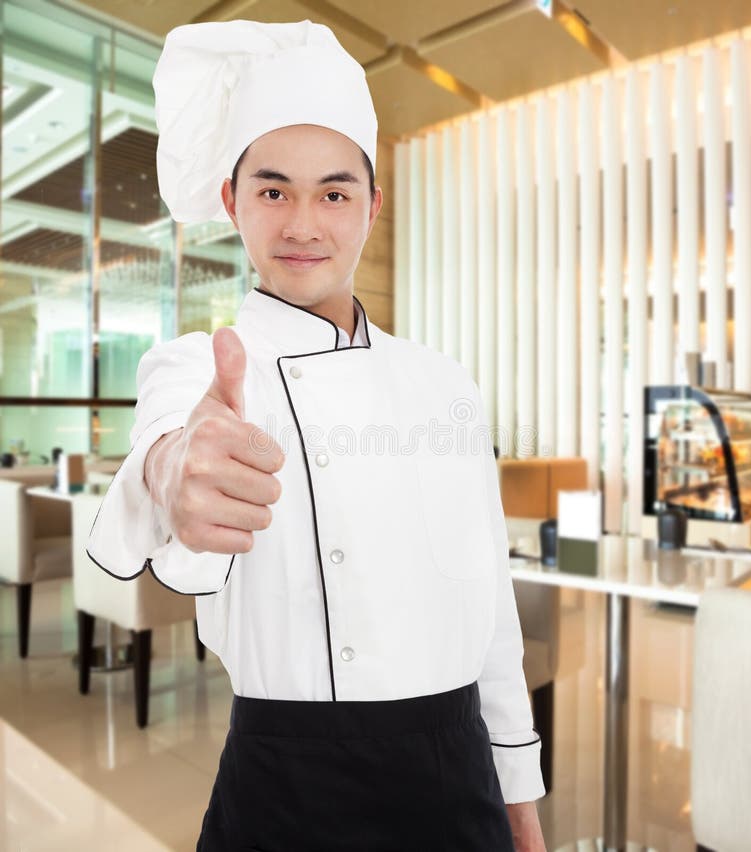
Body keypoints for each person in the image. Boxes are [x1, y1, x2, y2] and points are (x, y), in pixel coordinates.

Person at [87, 18, 548, 852]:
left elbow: (490, 608)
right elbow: (167, 451)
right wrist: (176, 475)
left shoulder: (445, 383)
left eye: (333, 193)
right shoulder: (199, 367)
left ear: (371, 207)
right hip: (283, 786)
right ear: (232, 202)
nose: (304, 224)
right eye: (273, 190)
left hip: (458, 776)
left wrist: (519, 793)